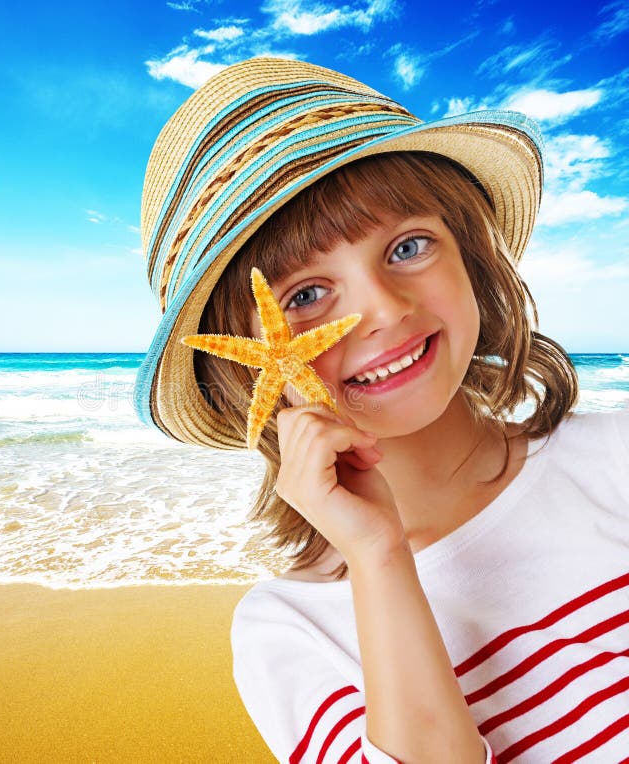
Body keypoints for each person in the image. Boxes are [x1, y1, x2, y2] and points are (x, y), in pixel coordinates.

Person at [133, 57, 629, 763]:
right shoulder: (292, 631)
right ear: (242, 365)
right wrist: (378, 555)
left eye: (407, 246)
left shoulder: (618, 459)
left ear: (470, 255)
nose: (386, 309)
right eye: (304, 295)